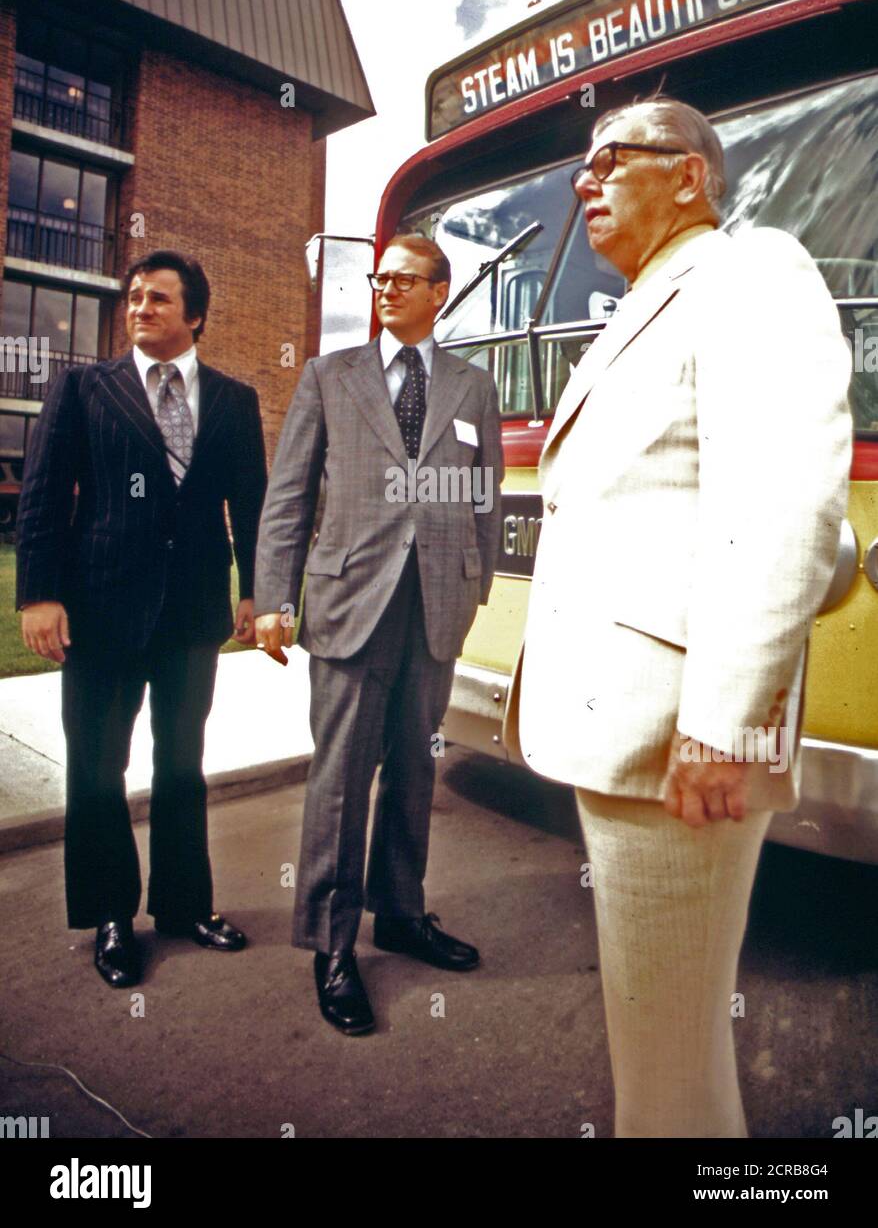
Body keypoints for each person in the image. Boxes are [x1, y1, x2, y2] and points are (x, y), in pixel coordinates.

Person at [504, 97, 852, 1136]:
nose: (583, 181)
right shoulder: (647, 300)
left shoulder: (749, 274)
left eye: (609, 160)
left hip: (676, 743)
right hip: (631, 736)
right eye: (583, 163)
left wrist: (722, 723)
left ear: (689, 175)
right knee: (661, 1048)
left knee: (665, 1069)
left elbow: (785, 502)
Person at [254, 234, 504, 1035]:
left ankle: (401, 913)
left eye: (404, 279)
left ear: (440, 291)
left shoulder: (473, 386)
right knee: (339, 780)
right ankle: (332, 946)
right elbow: (288, 496)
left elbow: (484, 499)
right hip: (349, 604)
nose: (387, 288)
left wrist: (476, 588)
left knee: (415, 773)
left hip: (434, 607)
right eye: (380, 278)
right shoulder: (331, 376)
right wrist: (272, 599)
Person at [16, 250, 267, 988]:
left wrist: (256, 589)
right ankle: (110, 916)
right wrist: (39, 592)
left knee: (182, 766)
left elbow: (250, 506)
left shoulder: (234, 399)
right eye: (133, 297)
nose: (140, 307)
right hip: (97, 609)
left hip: (192, 615)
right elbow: (42, 495)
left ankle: (186, 906)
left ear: (196, 316)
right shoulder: (83, 388)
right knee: (98, 770)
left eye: (159, 298)